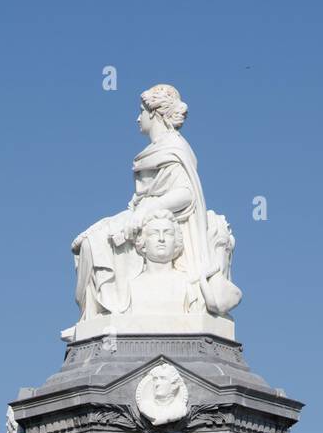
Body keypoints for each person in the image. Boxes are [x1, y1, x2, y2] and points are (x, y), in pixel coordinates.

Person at [71, 84, 241, 320]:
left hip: (169, 217)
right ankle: (92, 317)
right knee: (89, 241)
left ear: (154, 113)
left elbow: (186, 194)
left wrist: (147, 210)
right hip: (148, 214)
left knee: (95, 243)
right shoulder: (157, 148)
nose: (137, 118)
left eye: (141, 111)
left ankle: (109, 309)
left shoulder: (174, 147)